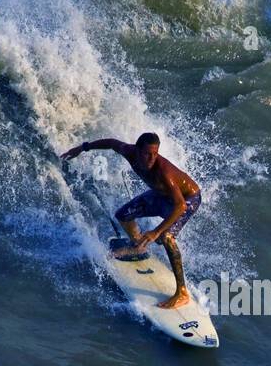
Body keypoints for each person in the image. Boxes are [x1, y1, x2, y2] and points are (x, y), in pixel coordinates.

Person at [61, 132, 201, 309]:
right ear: (137, 150)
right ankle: (138, 247)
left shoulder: (163, 171)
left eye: (155, 154)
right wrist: (82, 148)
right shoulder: (128, 151)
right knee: (123, 215)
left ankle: (182, 292)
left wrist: (156, 231)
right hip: (162, 196)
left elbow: (180, 206)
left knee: (165, 237)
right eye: (147, 154)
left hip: (188, 199)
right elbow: (111, 142)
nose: (151, 159)